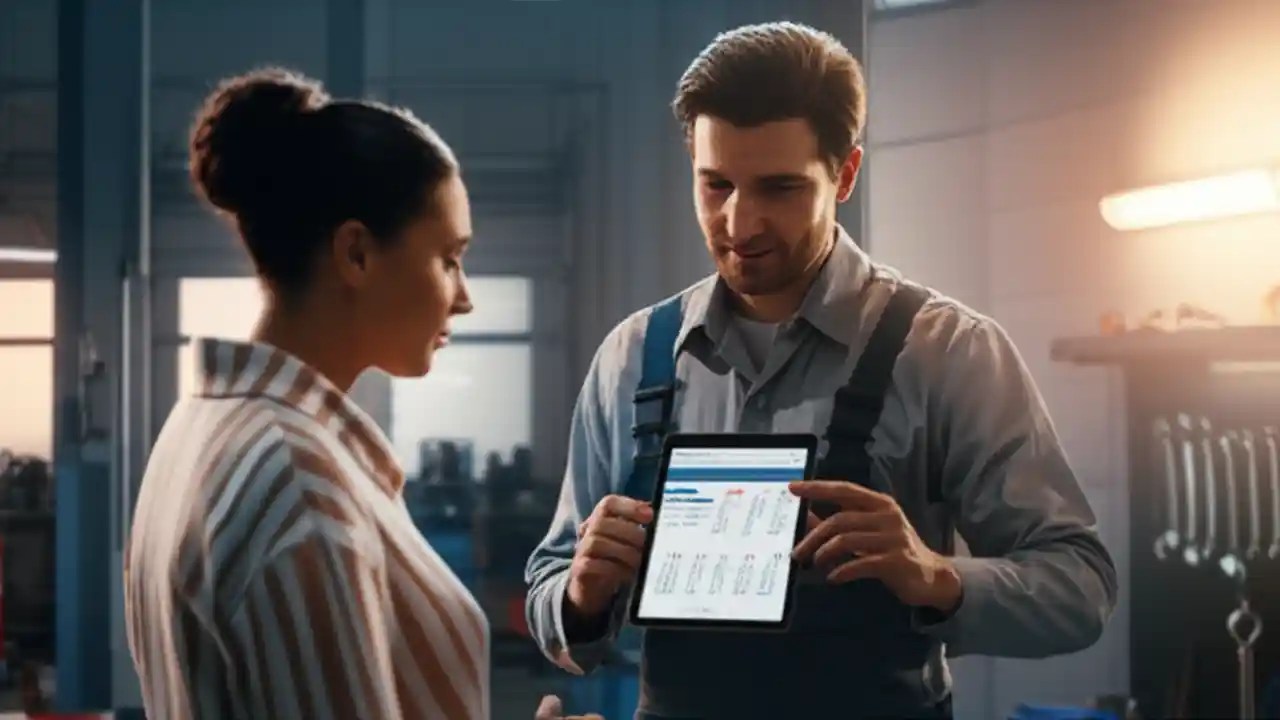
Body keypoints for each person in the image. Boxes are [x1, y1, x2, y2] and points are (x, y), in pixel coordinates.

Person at [525, 21, 1118, 719]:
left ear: (845, 174)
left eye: (778, 188)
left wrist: (937, 578)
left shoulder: (947, 354)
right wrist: (579, 598)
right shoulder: (631, 360)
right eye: (715, 185)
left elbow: (1081, 589)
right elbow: (551, 586)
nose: (740, 224)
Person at [123, 68, 594, 720]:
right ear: (357, 254)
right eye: (449, 258)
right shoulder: (297, 482)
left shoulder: (198, 428)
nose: (464, 295)